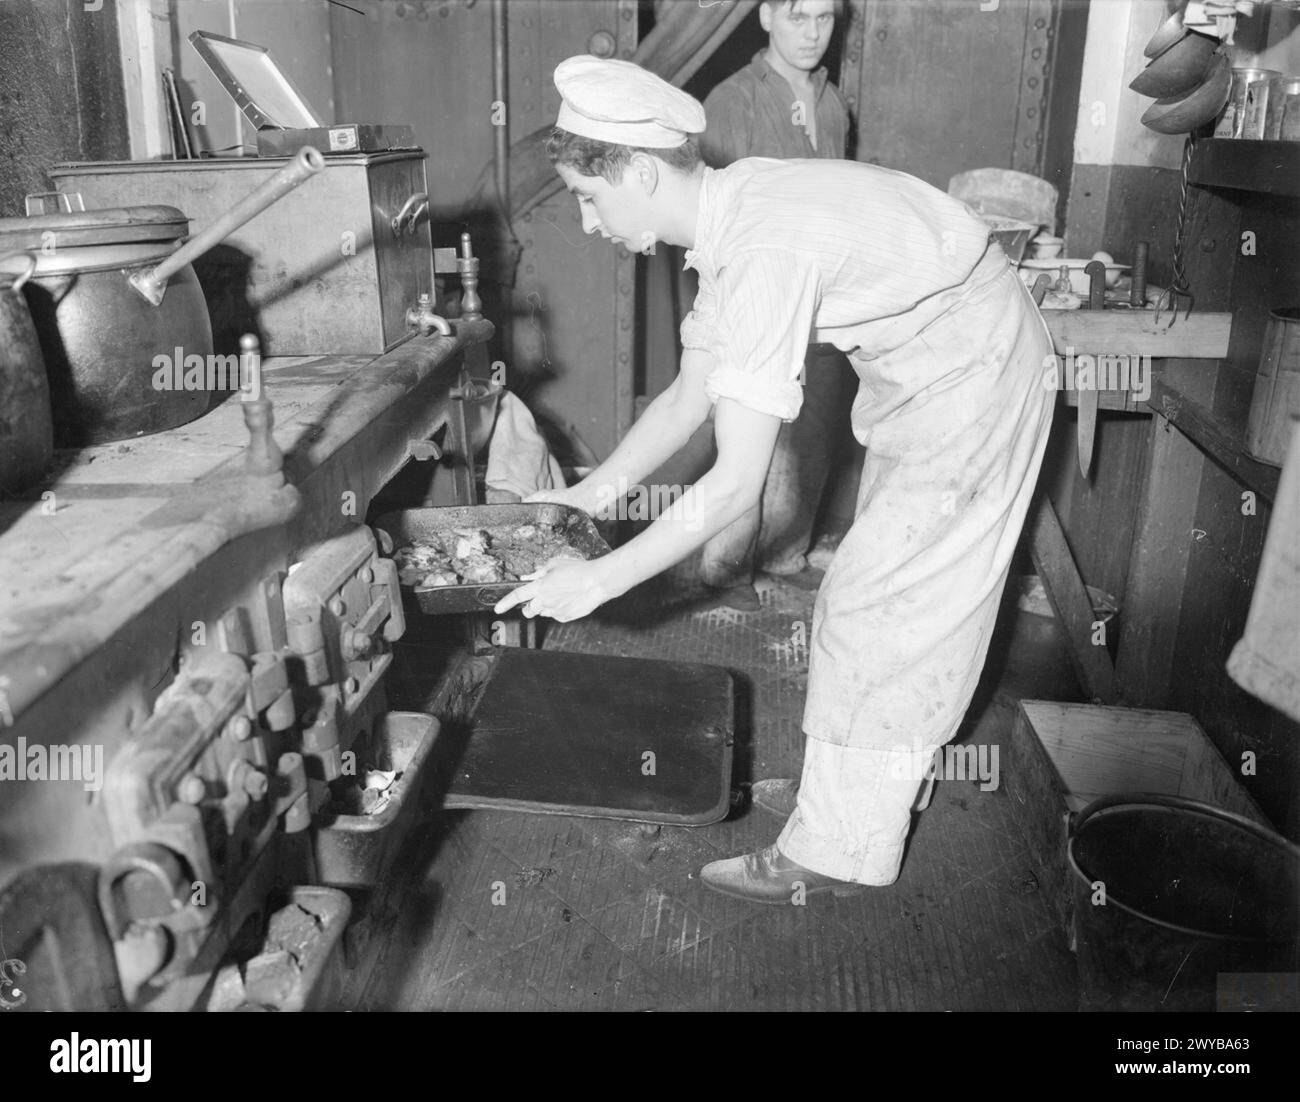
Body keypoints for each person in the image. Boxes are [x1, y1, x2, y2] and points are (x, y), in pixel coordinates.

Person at [496, 56, 1055, 902]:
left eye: (588, 195)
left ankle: (840, 851)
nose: (586, 221)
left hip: (975, 371)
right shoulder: (731, 213)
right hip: (927, 370)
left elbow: (734, 488)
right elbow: (689, 398)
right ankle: (861, 791)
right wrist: (583, 496)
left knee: (885, 602)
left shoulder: (759, 247)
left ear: (640, 173)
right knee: (880, 599)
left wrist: (598, 581)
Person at [695, 0, 856, 611]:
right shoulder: (731, 101)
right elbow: (713, 214)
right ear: (765, 16)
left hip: (818, 301)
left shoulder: (833, 101)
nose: (812, 33)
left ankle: (782, 558)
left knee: (810, 432)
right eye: (797, 17)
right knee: (750, 444)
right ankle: (723, 572)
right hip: (757, 297)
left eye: (824, 18)